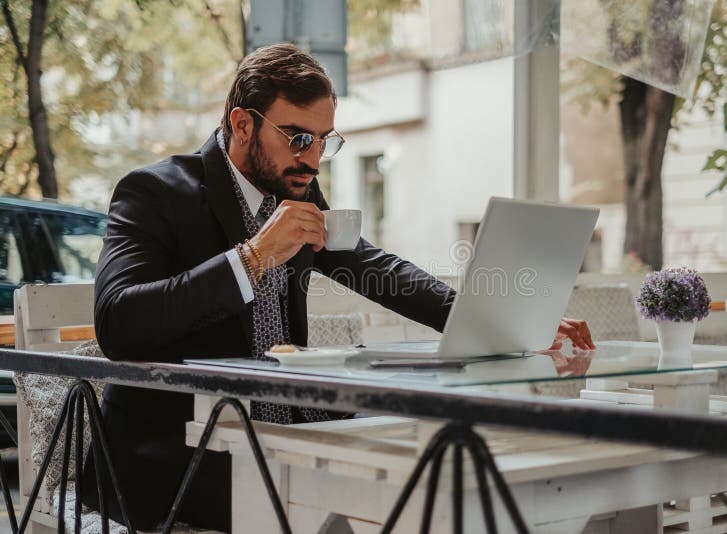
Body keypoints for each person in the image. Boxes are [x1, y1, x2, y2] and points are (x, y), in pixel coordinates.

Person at [84, 43, 594, 532]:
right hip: (184, 458)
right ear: (242, 124)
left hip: (292, 439)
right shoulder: (153, 192)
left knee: (452, 479)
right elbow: (118, 323)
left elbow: (377, 269)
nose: (314, 157)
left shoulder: (296, 182)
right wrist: (254, 256)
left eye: (326, 139)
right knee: (394, 502)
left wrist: (504, 320)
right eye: (298, 137)